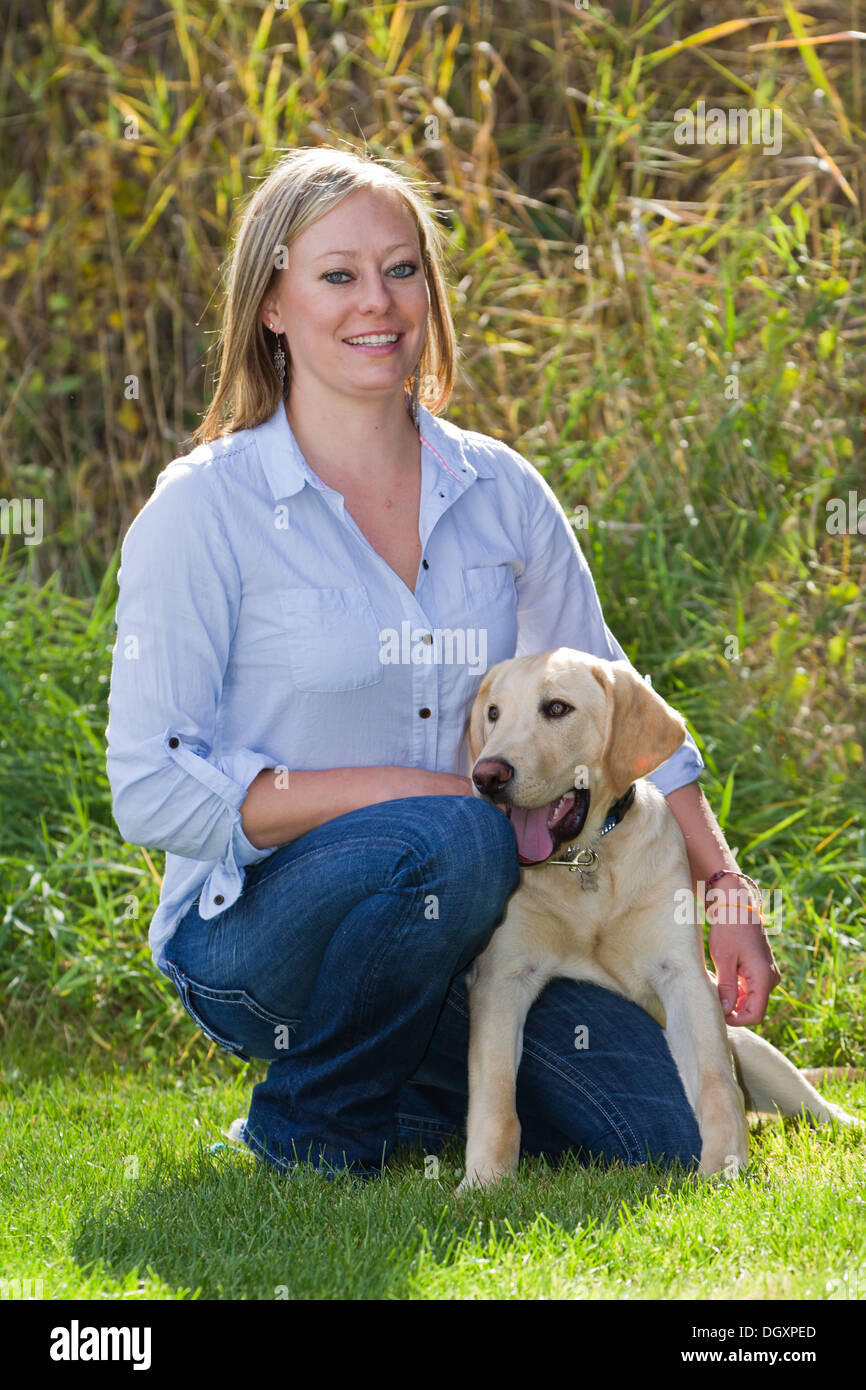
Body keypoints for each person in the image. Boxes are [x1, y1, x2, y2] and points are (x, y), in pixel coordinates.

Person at [105, 146, 780, 1179]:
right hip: (259, 934)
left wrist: (721, 883)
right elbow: (150, 786)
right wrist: (406, 792)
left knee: (658, 1135)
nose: (376, 301)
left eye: (401, 269)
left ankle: (402, 1090)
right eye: (337, 274)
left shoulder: (500, 490)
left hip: (482, 924)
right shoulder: (204, 509)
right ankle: (306, 1125)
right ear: (272, 305)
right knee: (459, 834)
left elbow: (608, 691)